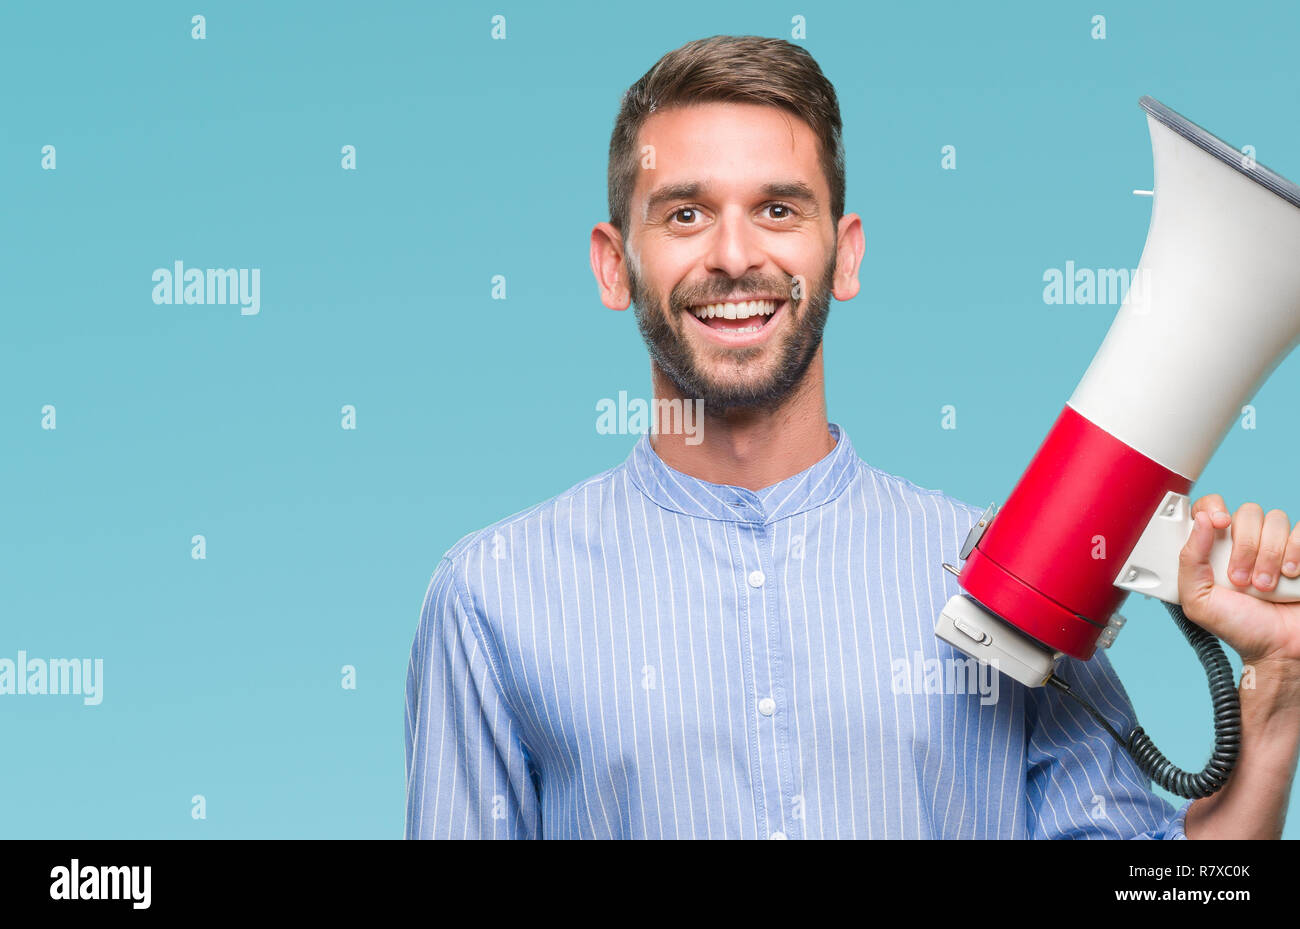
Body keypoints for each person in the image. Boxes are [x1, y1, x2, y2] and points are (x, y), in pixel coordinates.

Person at [405, 34, 1300, 839]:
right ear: (614, 264)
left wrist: (1275, 701)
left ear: (847, 252)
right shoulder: (493, 599)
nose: (733, 255)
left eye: (779, 210)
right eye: (684, 214)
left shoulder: (1003, 575)